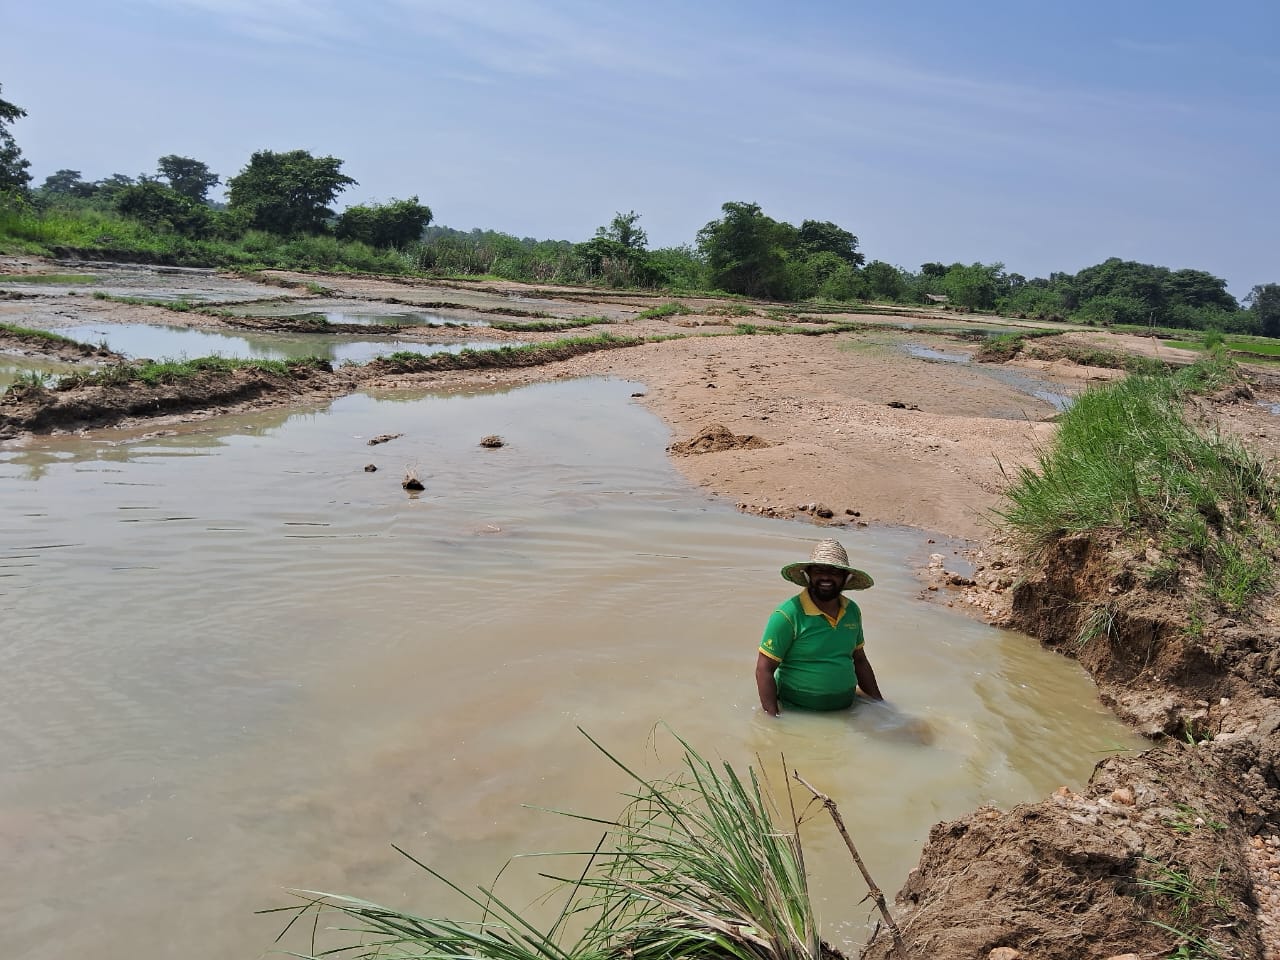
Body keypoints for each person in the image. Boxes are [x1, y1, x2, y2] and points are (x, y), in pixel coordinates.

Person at [756, 538, 882, 716]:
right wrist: (773, 720)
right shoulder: (787, 615)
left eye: (834, 572)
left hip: (847, 707)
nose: (826, 577)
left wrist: (880, 705)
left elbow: (859, 660)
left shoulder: (852, 611)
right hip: (797, 711)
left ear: (846, 578)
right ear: (808, 575)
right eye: (819, 570)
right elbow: (764, 669)